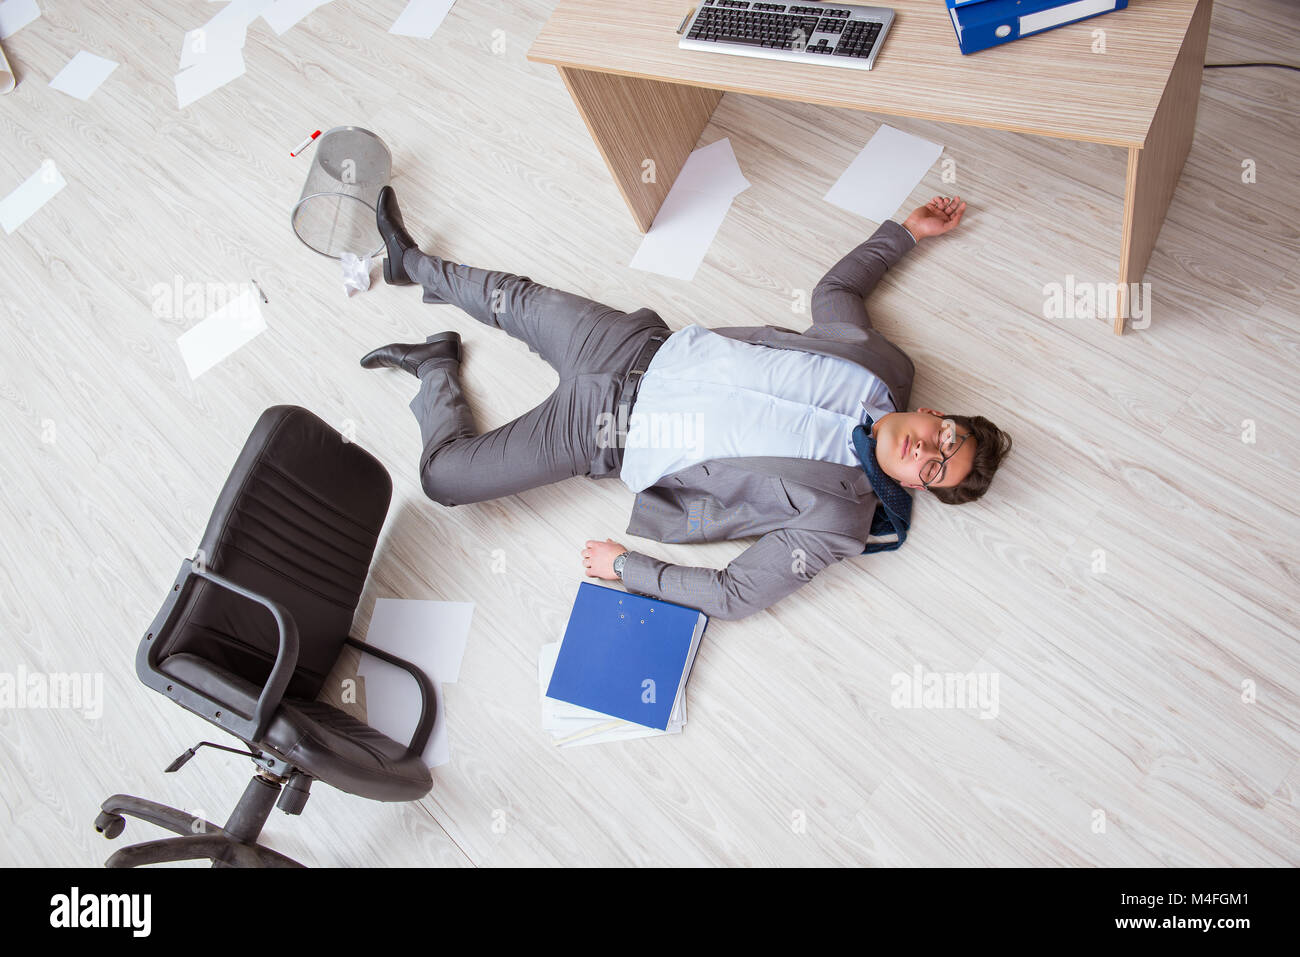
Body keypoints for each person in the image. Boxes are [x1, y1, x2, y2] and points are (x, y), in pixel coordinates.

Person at [360, 188, 1011, 619]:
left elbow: (733, 595)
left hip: (604, 431)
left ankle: (435, 366)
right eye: (946, 437)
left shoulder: (839, 519)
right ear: (936, 415)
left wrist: (628, 568)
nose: (927, 450)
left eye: (932, 469)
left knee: (444, 479)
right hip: (633, 346)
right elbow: (836, 289)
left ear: (913, 485)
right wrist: (906, 232)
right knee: (513, 297)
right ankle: (408, 263)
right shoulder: (882, 366)